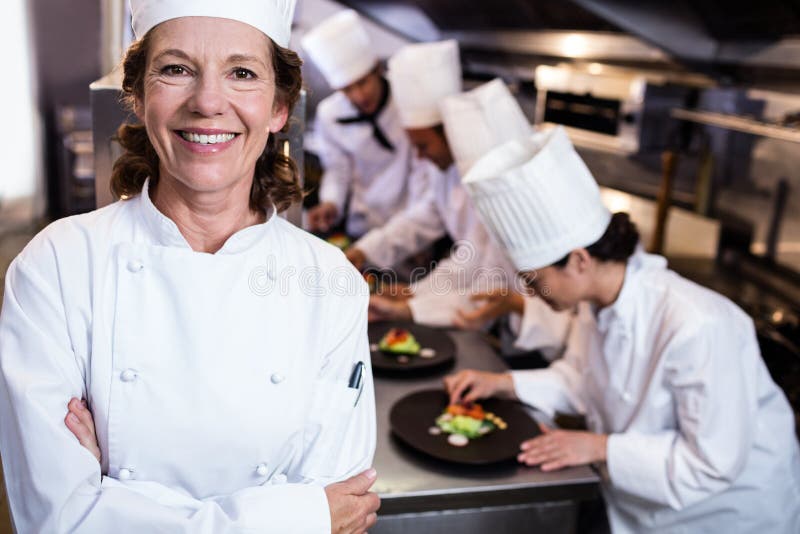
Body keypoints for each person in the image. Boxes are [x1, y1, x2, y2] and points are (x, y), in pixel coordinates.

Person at [0, 1, 379, 532]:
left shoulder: (330, 281)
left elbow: (343, 501)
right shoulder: (56, 267)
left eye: (242, 73)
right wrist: (294, 516)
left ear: (279, 107)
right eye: (176, 69)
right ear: (137, 95)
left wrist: (115, 496)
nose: (207, 102)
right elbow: (59, 519)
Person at [445, 126, 800, 533]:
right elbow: (584, 379)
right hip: (644, 506)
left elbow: (712, 463)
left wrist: (596, 447)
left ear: (579, 260)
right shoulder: (596, 305)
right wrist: (502, 384)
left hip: (730, 516)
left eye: (533, 279)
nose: (529, 292)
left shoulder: (696, 325)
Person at [351, 44, 569, 343]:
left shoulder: (506, 196)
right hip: (518, 330)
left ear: (449, 133)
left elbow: (486, 286)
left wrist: (412, 307)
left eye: (424, 146)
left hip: (532, 337)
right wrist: (415, 294)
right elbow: (468, 258)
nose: (419, 157)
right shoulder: (447, 171)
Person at [302, 9, 428, 238]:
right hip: (362, 223)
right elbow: (338, 170)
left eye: (363, 82)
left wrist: (416, 230)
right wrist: (331, 202)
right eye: (347, 89)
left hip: (411, 220)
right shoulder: (329, 114)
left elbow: (423, 170)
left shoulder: (407, 99)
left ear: (377, 69)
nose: (359, 96)